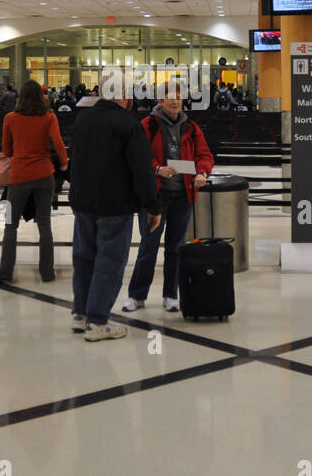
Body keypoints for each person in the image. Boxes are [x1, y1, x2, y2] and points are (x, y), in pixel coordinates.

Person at [68, 80, 161, 341]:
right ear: (124, 97)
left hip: (84, 203)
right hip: (115, 205)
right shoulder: (129, 125)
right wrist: (153, 205)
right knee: (110, 261)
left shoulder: (83, 120)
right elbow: (142, 171)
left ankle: (80, 313)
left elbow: (74, 160)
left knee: (84, 257)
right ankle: (97, 321)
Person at [123, 85, 215, 313]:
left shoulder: (191, 127)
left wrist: (202, 172)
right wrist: (156, 169)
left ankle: (171, 294)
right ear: (160, 102)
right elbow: (136, 155)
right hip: (155, 197)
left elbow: (204, 155)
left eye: (178, 98)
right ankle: (136, 295)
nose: (175, 102)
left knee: (175, 248)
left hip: (183, 197)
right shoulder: (148, 125)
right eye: (170, 98)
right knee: (148, 246)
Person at [0, 81, 68, 284]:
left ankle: (5, 271)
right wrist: (65, 163)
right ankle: (47, 272)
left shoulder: (10, 118)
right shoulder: (49, 117)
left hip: (19, 177)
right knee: (44, 224)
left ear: (20, 96)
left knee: (10, 225)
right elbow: (58, 143)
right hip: (44, 175)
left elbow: (7, 151)